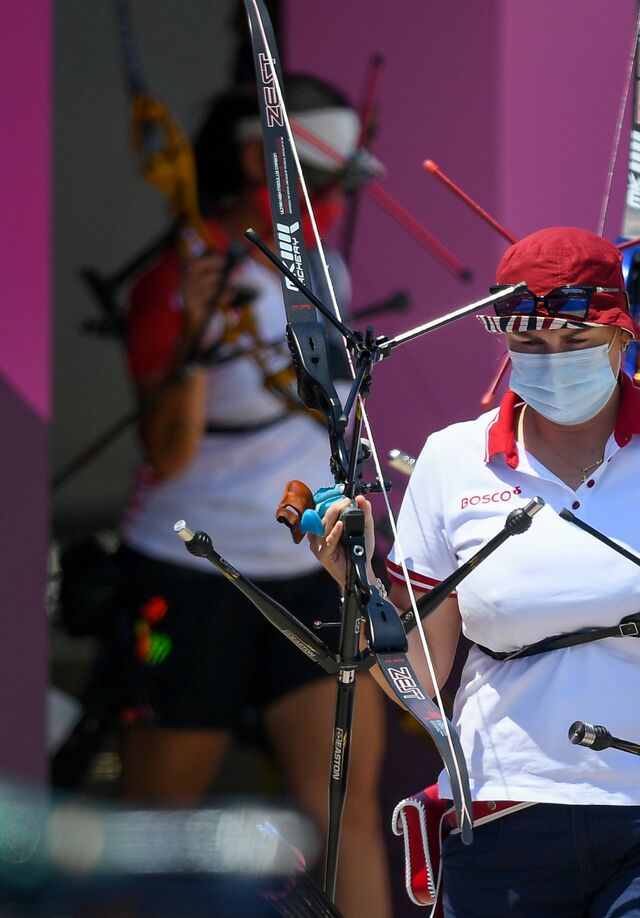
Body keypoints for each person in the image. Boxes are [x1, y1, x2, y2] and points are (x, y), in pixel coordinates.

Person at [308, 226, 640, 918]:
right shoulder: (452, 461)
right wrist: (357, 590)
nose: (552, 362)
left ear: (622, 339)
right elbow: (420, 679)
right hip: (505, 818)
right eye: (529, 344)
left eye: (574, 342)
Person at [116, 75, 389, 917]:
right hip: (195, 571)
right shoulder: (177, 274)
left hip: (312, 568)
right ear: (255, 163)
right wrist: (194, 342)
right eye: (321, 181)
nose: (334, 201)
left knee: (341, 810)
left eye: (342, 184)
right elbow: (166, 452)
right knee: (154, 823)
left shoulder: (326, 266)